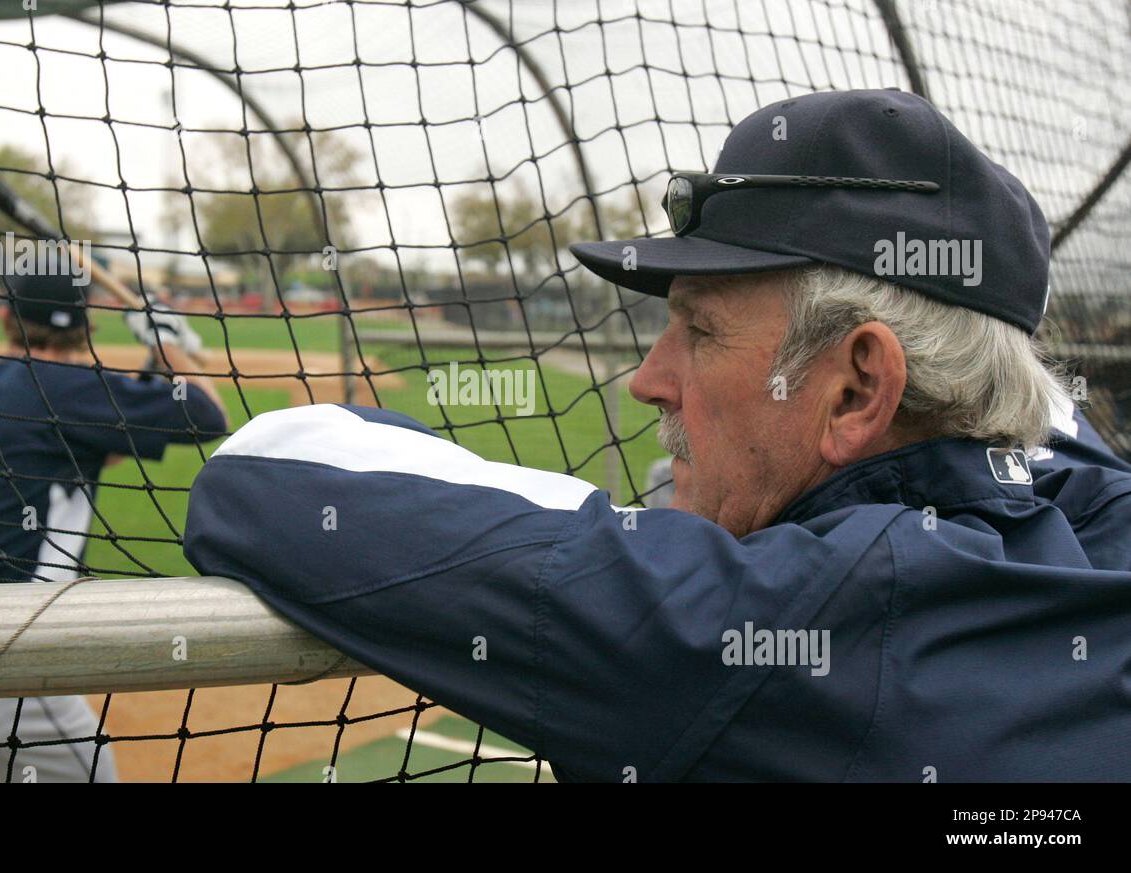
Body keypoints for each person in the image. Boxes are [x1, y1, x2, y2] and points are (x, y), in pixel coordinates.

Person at [182, 89, 1131, 781]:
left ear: (856, 390)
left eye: (701, 329)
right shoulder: (1093, 532)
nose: (649, 379)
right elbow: (1053, 429)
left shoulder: (784, 628)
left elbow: (269, 467)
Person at [0, 271, 228, 782]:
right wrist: (165, 342)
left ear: (7, 318)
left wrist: (155, 359)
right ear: (88, 328)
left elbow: (102, 442)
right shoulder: (73, 391)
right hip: (1, 661)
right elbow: (209, 414)